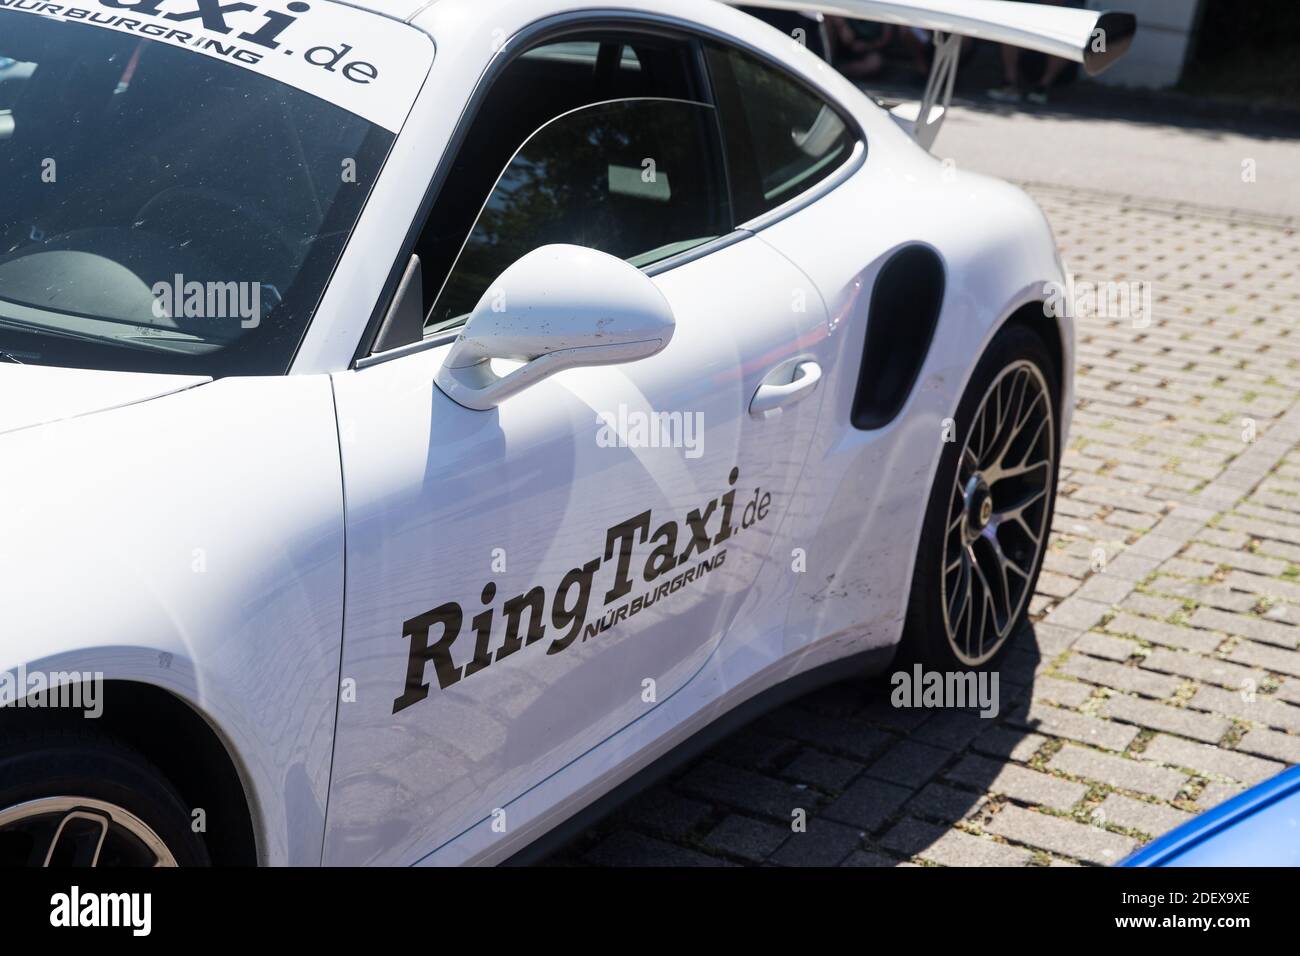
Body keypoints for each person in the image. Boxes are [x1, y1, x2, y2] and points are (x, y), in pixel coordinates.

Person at [987, 0, 1079, 104]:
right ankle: (1009, 85)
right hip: (1030, 19)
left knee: (1065, 34)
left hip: (1056, 22)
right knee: (1009, 28)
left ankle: (1041, 88)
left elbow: (1057, 5)